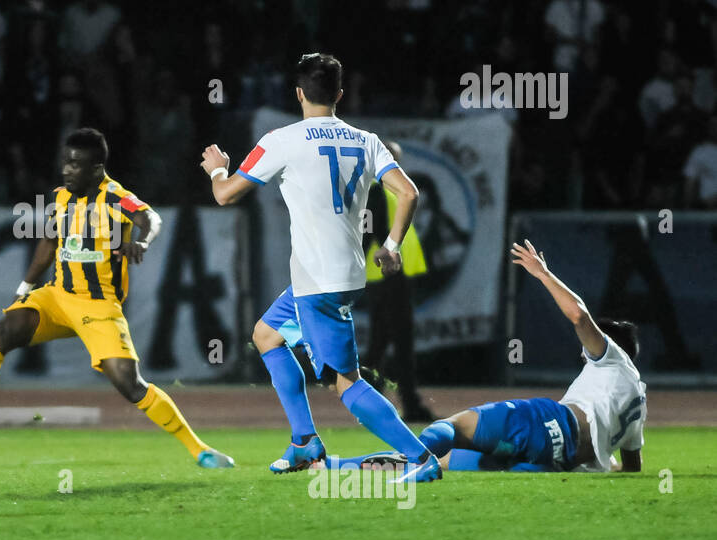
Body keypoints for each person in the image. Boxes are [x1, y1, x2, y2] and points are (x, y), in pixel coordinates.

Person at [0, 128, 234, 469]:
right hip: (58, 296)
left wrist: (143, 241)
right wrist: (25, 287)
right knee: (2, 332)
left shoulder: (116, 197)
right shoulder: (60, 198)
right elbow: (49, 244)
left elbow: (150, 218)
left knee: (128, 382)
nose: (67, 170)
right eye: (65, 162)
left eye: (76, 165)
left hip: (98, 306)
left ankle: (200, 449)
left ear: (97, 168)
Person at [200, 53, 439, 482]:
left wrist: (219, 170)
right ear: (340, 95)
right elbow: (409, 192)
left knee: (347, 385)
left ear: (297, 93)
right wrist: (391, 245)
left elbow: (225, 195)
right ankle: (303, 442)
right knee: (266, 334)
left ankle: (422, 459)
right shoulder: (366, 140)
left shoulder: (283, 139)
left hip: (319, 283)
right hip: (343, 274)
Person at [336, 241, 645, 474]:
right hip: (558, 458)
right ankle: (340, 467)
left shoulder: (611, 358)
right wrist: (610, 463)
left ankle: (342, 467)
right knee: (450, 461)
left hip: (545, 422)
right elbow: (632, 467)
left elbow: (579, 316)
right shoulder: (637, 400)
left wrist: (543, 274)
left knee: (449, 430)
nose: (585, 350)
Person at [362, 140, 434, 422]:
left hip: (391, 277)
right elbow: (372, 234)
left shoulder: (389, 189)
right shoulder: (379, 191)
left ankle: (366, 396)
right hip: (388, 276)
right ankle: (411, 405)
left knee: (380, 342)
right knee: (402, 342)